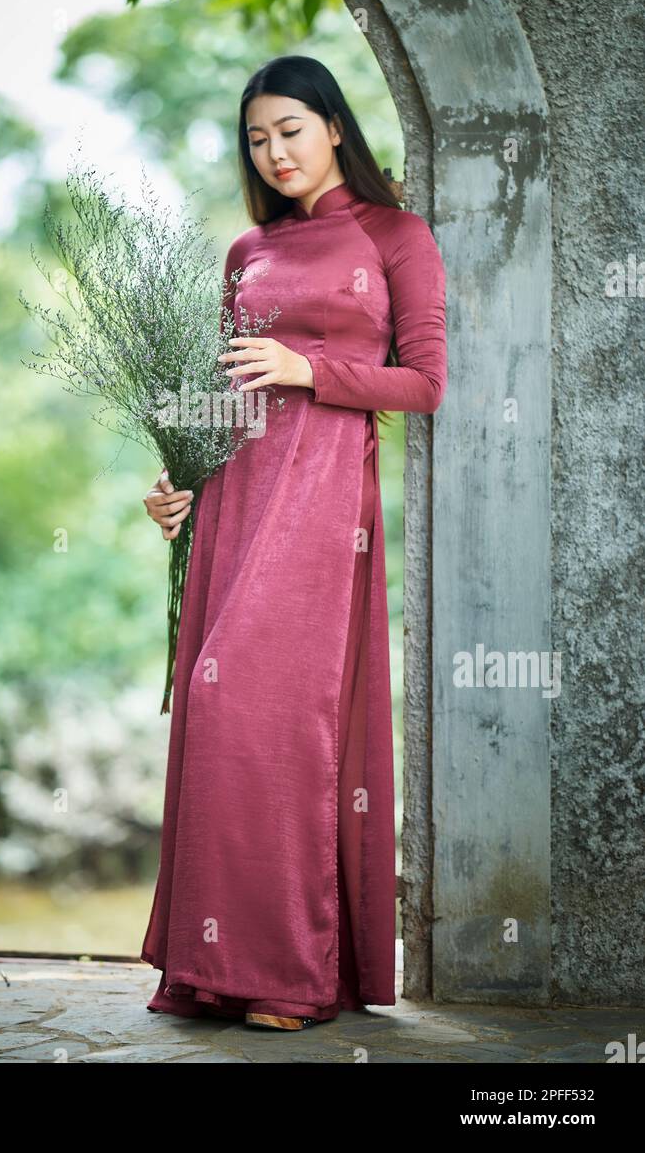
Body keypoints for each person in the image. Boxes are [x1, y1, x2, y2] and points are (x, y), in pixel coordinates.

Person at [140, 54, 447, 1030]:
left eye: (289, 129)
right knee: (211, 702)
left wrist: (305, 365)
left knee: (274, 720)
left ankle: (293, 973)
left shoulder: (393, 233)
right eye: (256, 137)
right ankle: (207, 962)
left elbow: (424, 382)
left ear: (331, 126)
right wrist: (178, 483)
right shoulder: (245, 249)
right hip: (235, 492)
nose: (272, 150)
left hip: (321, 504)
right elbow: (220, 384)